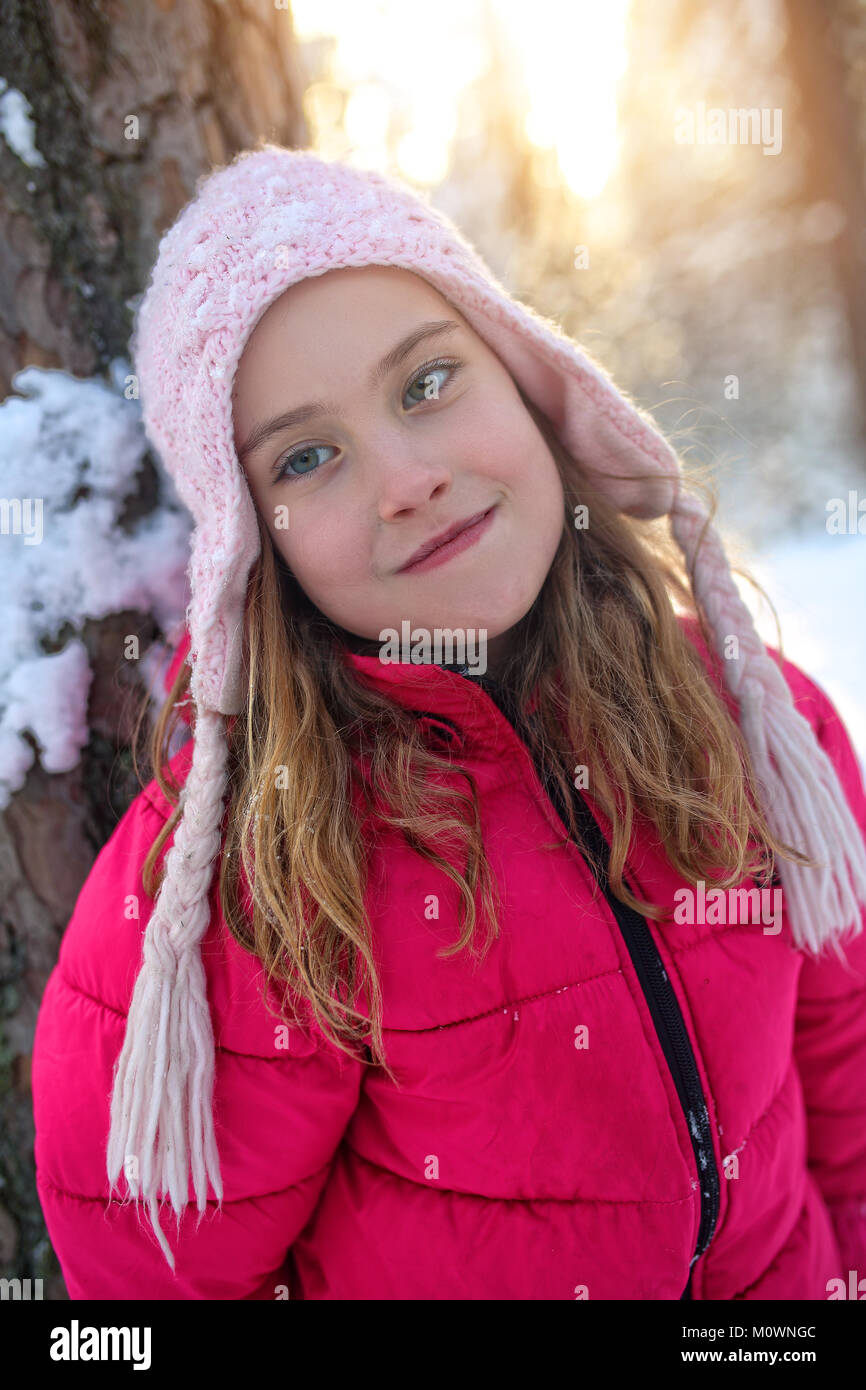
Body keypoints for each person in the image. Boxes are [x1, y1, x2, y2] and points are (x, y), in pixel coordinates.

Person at [31, 144, 866, 1300]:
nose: (405, 477)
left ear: (529, 381)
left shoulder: (752, 722)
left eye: (425, 383)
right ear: (249, 548)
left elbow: (845, 1074)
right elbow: (149, 1282)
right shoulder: (258, 879)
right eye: (308, 457)